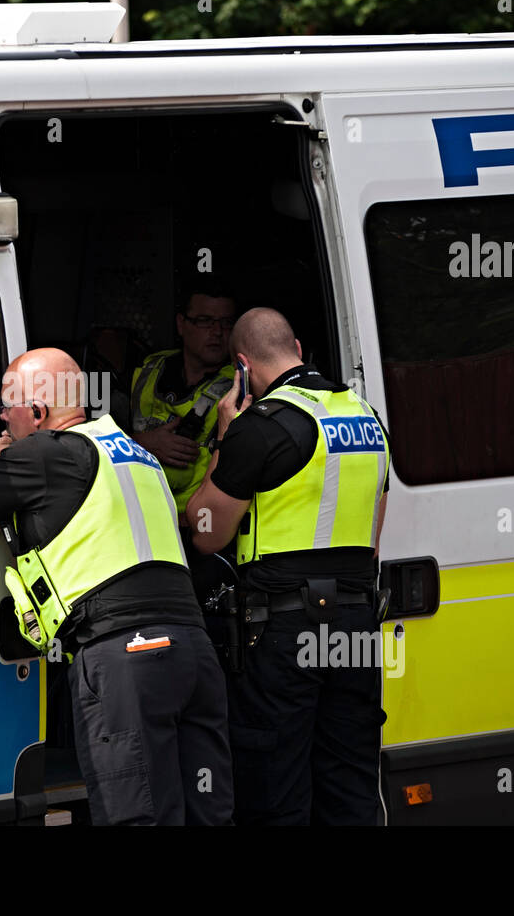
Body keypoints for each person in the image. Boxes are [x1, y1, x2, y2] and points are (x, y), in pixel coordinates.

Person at [0, 347, 233, 825]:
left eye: (6, 407)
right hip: (193, 651)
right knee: (208, 813)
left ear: (37, 412)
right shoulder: (135, 455)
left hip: (126, 660)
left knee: (136, 814)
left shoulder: (42, 453)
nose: (1, 419)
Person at [186, 308, 390, 826]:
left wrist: (221, 440)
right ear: (298, 347)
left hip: (283, 631)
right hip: (356, 628)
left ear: (241, 366)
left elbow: (207, 532)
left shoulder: (260, 428)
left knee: (277, 789)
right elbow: (371, 541)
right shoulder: (367, 418)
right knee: (350, 784)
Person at [130, 286, 237, 514]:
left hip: (197, 525)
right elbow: (93, 435)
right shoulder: (148, 368)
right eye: (205, 321)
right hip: (134, 513)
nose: (217, 332)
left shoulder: (242, 385)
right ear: (181, 324)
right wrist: (142, 442)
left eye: (226, 323)